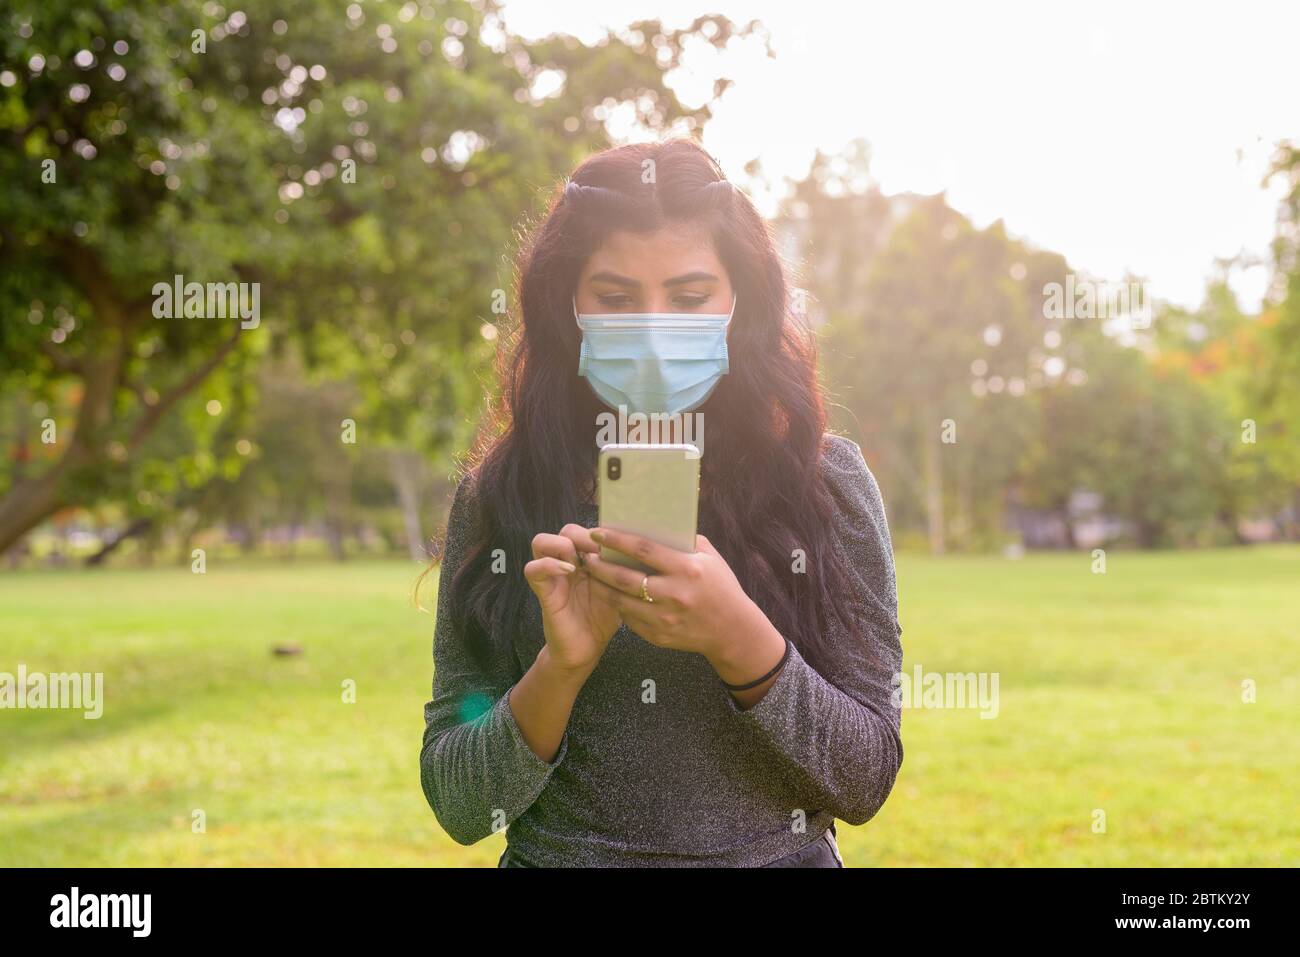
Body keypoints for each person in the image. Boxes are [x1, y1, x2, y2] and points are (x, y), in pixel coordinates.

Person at [419, 138, 903, 867]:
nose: (650, 329)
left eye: (687, 297)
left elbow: (865, 780)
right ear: (565, 302)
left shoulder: (824, 481)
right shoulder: (499, 494)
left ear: (739, 300)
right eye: (615, 298)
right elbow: (459, 803)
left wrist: (737, 635)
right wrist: (561, 666)